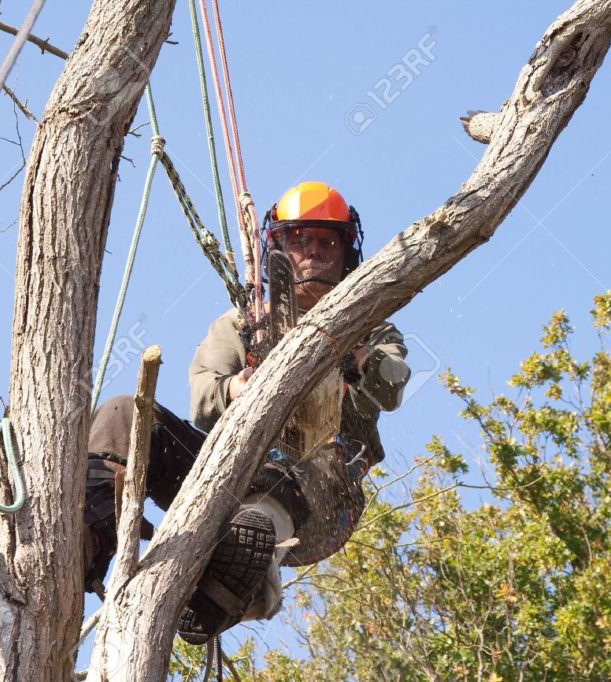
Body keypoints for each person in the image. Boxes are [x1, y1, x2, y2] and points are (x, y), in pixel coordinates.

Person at [83, 181, 410, 643]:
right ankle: (87, 533)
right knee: (123, 414)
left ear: (345, 255)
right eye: (301, 240)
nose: (313, 253)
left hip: (321, 492)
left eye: (327, 243)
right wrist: (238, 388)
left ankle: (239, 581)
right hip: (232, 467)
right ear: (279, 247)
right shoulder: (243, 323)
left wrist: (360, 358)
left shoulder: (373, 328)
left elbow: (392, 385)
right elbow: (203, 397)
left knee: (285, 479)